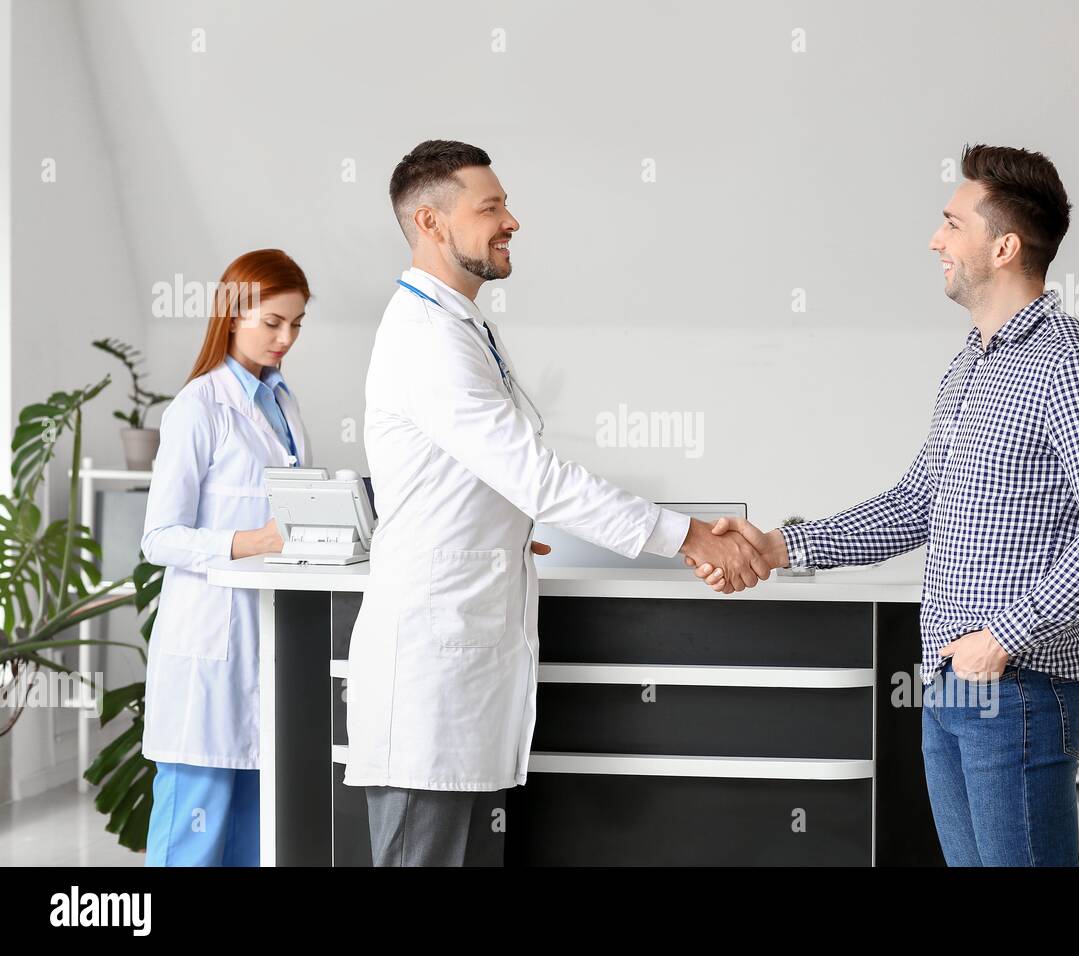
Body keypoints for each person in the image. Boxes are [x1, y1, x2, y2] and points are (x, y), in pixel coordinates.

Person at [692, 145, 1079, 866]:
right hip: (951, 677)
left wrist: (1003, 636)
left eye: (951, 224)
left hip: (1019, 685)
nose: (935, 240)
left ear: (1002, 247)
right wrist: (780, 545)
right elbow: (917, 502)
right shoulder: (973, 359)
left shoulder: (1073, 366)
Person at [344, 140, 769, 866]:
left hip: (465, 659)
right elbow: (535, 476)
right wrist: (690, 536)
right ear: (431, 222)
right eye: (491, 207)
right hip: (430, 671)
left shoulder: (463, 325)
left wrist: (500, 530)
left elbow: (486, 477)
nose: (513, 221)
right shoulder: (428, 337)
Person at [140, 248, 313, 866]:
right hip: (207, 645)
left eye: (295, 325)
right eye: (273, 322)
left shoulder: (283, 403)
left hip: (266, 643)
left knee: (254, 833)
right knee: (194, 829)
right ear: (233, 314)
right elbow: (158, 536)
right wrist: (250, 542)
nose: (285, 338)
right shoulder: (197, 406)